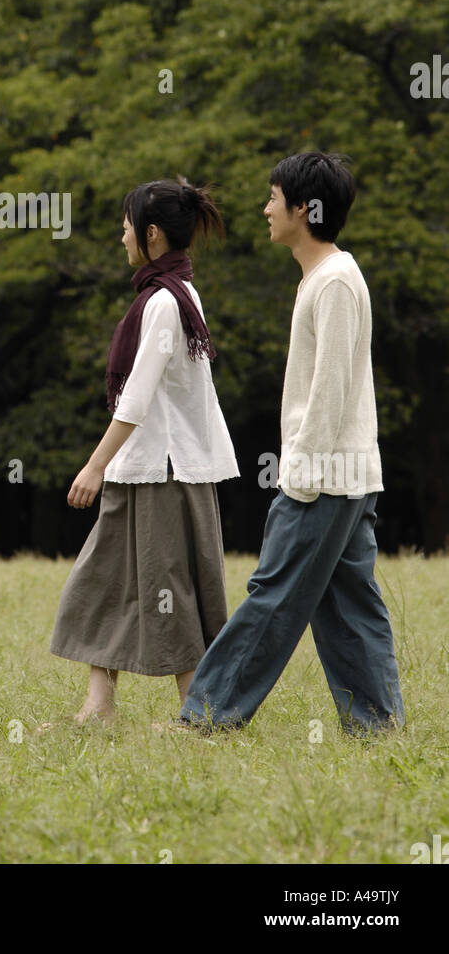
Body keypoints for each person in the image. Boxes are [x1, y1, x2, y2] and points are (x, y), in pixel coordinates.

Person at [178, 151, 404, 735]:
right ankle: (378, 727)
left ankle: (206, 716)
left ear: (306, 209)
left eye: (273, 199)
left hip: (322, 477)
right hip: (345, 473)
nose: (265, 209)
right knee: (350, 605)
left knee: (272, 595)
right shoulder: (326, 277)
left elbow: (328, 393)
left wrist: (297, 480)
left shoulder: (332, 282)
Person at [47, 176, 240, 724]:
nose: (121, 236)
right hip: (145, 468)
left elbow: (136, 395)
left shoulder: (164, 302)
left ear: (152, 234)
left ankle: (196, 712)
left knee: (169, 589)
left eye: (127, 227)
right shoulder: (171, 294)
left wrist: (92, 466)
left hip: (164, 470)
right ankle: (98, 707)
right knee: (103, 578)